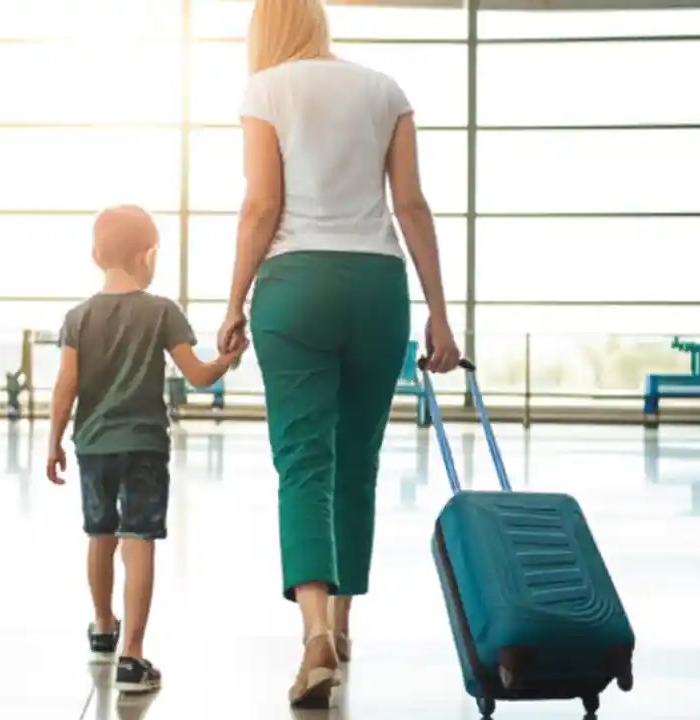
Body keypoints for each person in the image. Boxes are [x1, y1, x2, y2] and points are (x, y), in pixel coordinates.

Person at [216, 0, 462, 707]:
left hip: (295, 285)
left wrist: (234, 302)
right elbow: (410, 205)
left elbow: (261, 205)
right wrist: (441, 316)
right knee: (358, 463)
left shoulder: (265, 88)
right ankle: (344, 626)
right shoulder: (386, 90)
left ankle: (315, 631)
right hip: (378, 289)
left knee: (303, 462)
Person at [47, 204, 248, 694]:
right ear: (149, 255)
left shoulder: (77, 318)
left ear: (97, 255)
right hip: (144, 448)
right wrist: (229, 358)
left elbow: (65, 385)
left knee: (100, 534)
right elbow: (198, 376)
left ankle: (102, 626)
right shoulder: (161, 312)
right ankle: (133, 657)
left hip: (92, 445)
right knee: (139, 541)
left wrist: (53, 440)